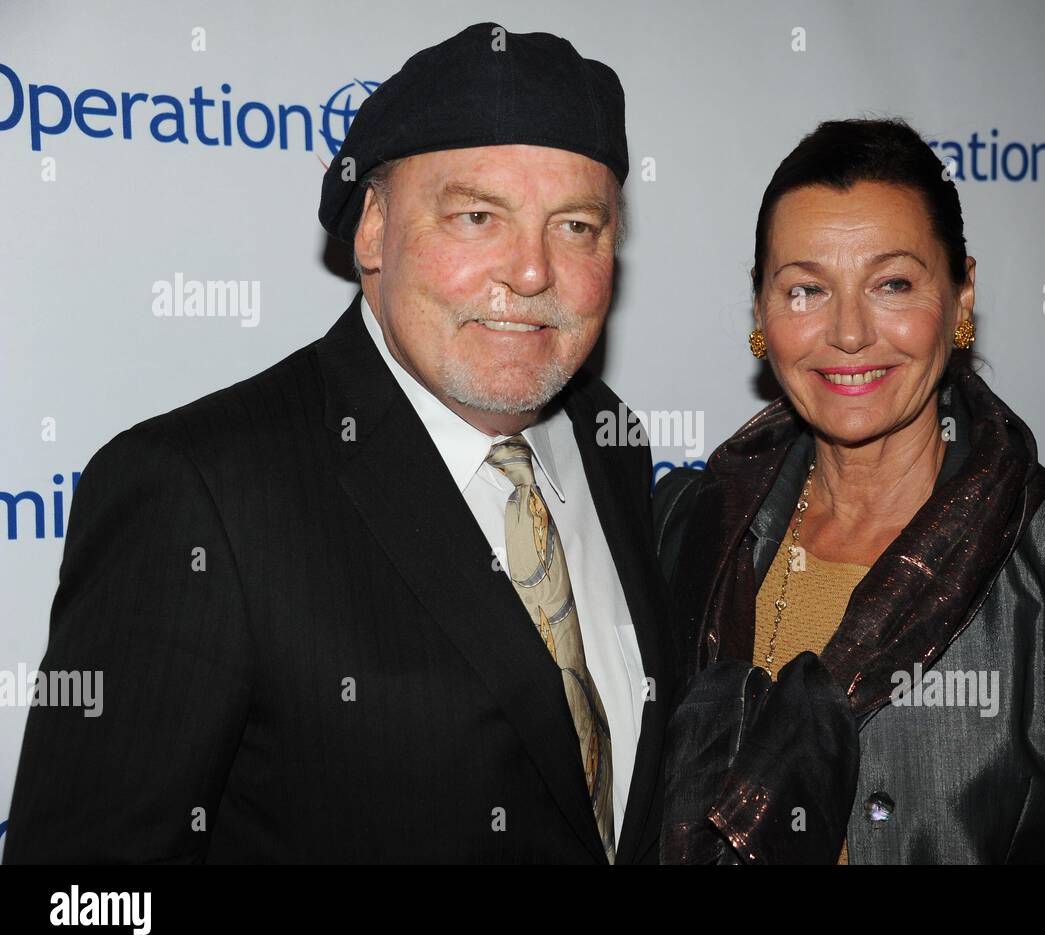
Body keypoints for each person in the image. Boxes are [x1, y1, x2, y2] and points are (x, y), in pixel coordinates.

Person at [3, 22, 675, 864]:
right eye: (477, 215)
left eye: (576, 225)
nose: (533, 271)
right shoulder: (198, 495)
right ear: (372, 230)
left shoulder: (611, 445)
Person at [653, 118, 1045, 865]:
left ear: (963, 294)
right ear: (761, 312)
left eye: (893, 284)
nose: (848, 332)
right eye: (807, 288)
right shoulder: (697, 530)